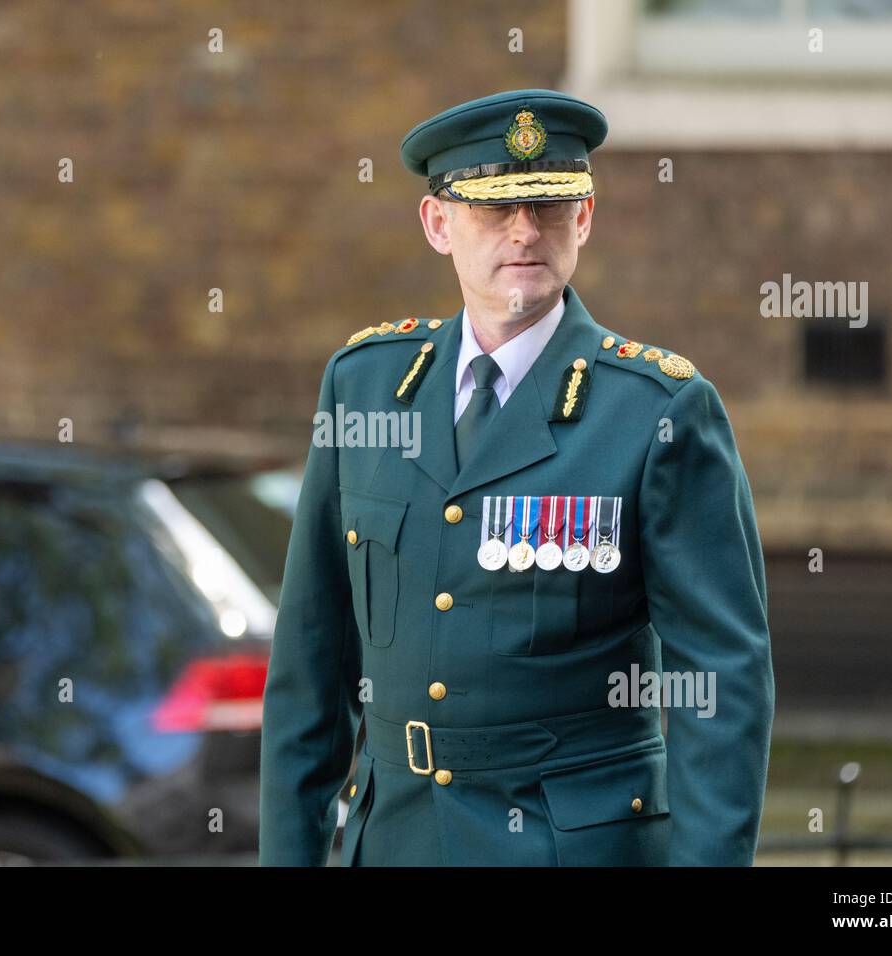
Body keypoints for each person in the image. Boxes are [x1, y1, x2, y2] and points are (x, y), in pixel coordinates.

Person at [259, 89, 774, 866]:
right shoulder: (363, 387)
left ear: (585, 219)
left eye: (549, 204)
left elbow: (721, 686)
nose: (525, 230)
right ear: (439, 224)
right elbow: (311, 665)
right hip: (394, 841)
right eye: (496, 208)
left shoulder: (658, 411)